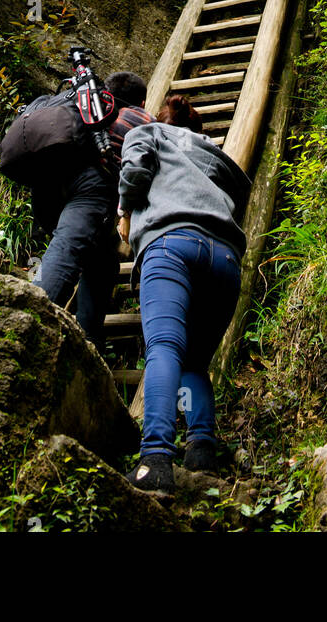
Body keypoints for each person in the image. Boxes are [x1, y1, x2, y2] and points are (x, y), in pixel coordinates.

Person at [117, 93, 252, 492]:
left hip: (170, 244)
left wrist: (125, 212)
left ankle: (155, 459)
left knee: (164, 348)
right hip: (225, 258)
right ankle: (201, 452)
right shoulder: (218, 157)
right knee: (194, 362)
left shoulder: (148, 132)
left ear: (163, 119)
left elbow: (136, 171)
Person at [26, 70, 154, 352]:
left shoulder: (84, 108)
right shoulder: (138, 118)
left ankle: (89, 344)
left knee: (101, 263)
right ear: (142, 102)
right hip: (89, 186)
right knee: (69, 250)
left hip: (48, 185)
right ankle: (26, 325)